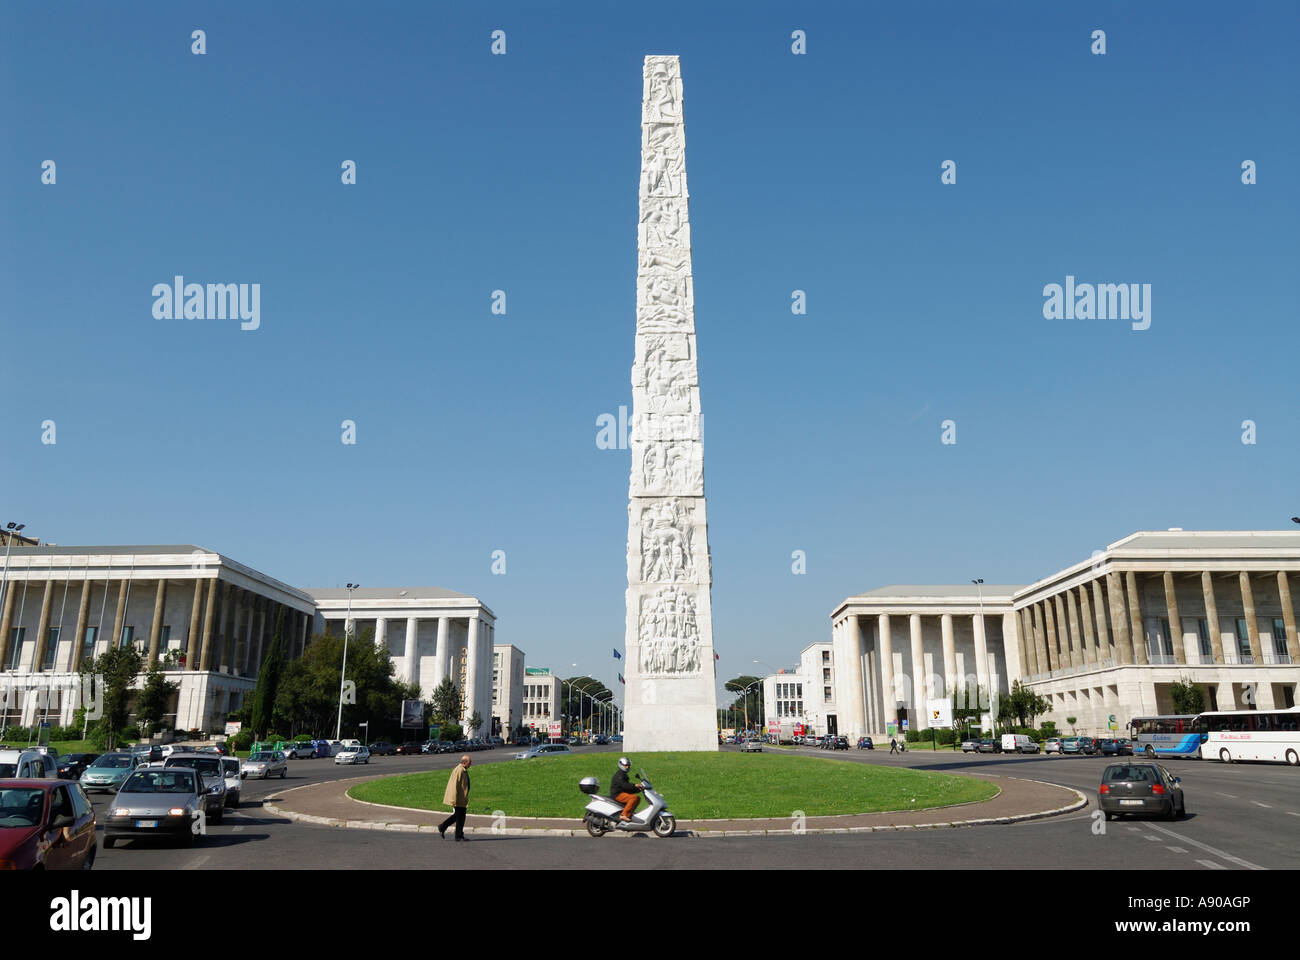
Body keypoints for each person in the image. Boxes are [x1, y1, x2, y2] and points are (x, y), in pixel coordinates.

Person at [439, 754, 472, 841]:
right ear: (464, 763)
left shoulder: (463, 770)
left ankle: (459, 835)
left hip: (462, 798)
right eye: (470, 763)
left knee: (461, 817)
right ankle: (442, 826)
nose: (471, 764)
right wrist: (454, 799)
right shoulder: (459, 770)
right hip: (458, 798)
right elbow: (454, 786)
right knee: (457, 815)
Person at [611, 757, 642, 822]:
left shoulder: (623, 774)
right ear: (621, 765)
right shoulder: (620, 775)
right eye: (626, 766)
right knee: (634, 798)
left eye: (628, 766)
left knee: (637, 798)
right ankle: (624, 815)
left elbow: (627, 788)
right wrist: (635, 785)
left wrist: (638, 789)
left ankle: (629, 814)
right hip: (617, 794)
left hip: (622, 793)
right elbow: (624, 785)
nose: (627, 767)